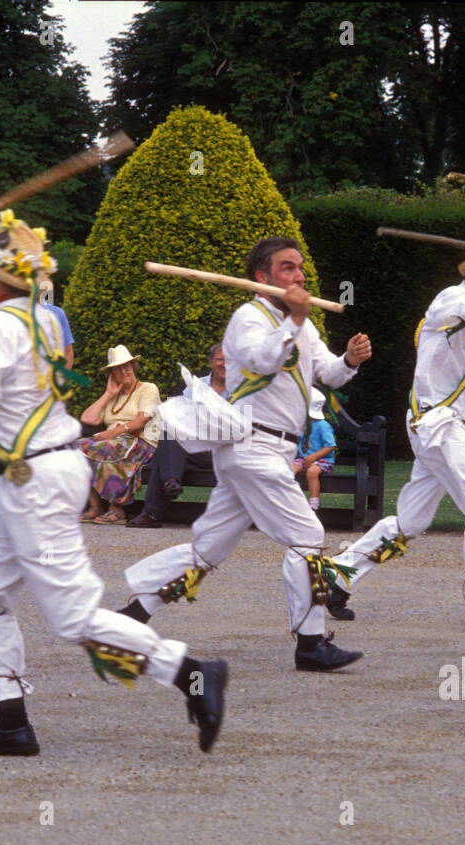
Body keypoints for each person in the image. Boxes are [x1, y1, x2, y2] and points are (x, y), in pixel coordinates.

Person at [0, 211, 227, 755]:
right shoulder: (43, 318)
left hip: (35, 482)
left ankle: (190, 673)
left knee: (71, 616)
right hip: (45, 474)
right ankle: (9, 721)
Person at [120, 237, 372, 671]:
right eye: (288, 268)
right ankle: (310, 645)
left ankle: (132, 617)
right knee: (308, 537)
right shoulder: (247, 319)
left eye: (300, 267)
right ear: (262, 277)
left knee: (208, 551)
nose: (300, 275)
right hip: (253, 447)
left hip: (270, 450)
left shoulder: (304, 324)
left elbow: (327, 373)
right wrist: (294, 318)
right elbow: (265, 359)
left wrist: (350, 359)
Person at [326, 252, 465, 629]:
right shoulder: (451, 301)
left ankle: (340, 571)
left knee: (412, 519)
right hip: (436, 421)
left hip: (448, 427)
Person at [127, 342, 226, 528]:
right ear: (212, 362)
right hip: (198, 448)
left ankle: (153, 511)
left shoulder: (242, 388)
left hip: (227, 451)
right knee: (169, 436)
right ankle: (171, 481)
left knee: (163, 460)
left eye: (230, 360)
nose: (224, 364)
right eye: (220, 360)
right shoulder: (196, 386)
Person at [78, 345, 161, 524]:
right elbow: (87, 418)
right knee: (76, 449)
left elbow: (141, 420)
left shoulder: (148, 388)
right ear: (111, 374)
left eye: (127, 366)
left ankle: (117, 509)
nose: (124, 371)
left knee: (110, 448)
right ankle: (96, 506)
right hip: (116, 442)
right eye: (118, 369)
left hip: (142, 442)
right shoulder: (113, 396)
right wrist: (108, 393)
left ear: (134, 367)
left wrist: (111, 433)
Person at [294, 387, 336, 511]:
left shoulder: (323, 425)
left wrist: (314, 457)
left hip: (323, 461)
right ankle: (294, 501)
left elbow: (330, 445)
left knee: (312, 472)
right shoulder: (302, 424)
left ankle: (313, 504)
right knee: (288, 471)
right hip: (303, 459)